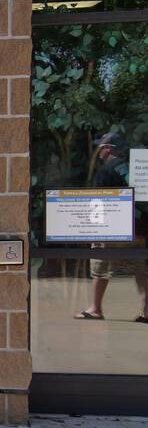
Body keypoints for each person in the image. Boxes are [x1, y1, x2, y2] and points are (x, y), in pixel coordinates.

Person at [75, 131, 148, 323]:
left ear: (109, 149)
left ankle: (96, 309)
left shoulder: (105, 171)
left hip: (113, 230)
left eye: (101, 147)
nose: (98, 151)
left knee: (100, 266)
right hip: (139, 230)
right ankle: (147, 311)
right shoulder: (136, 170)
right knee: (141, 270)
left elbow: (99, 203)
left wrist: (94, 231)